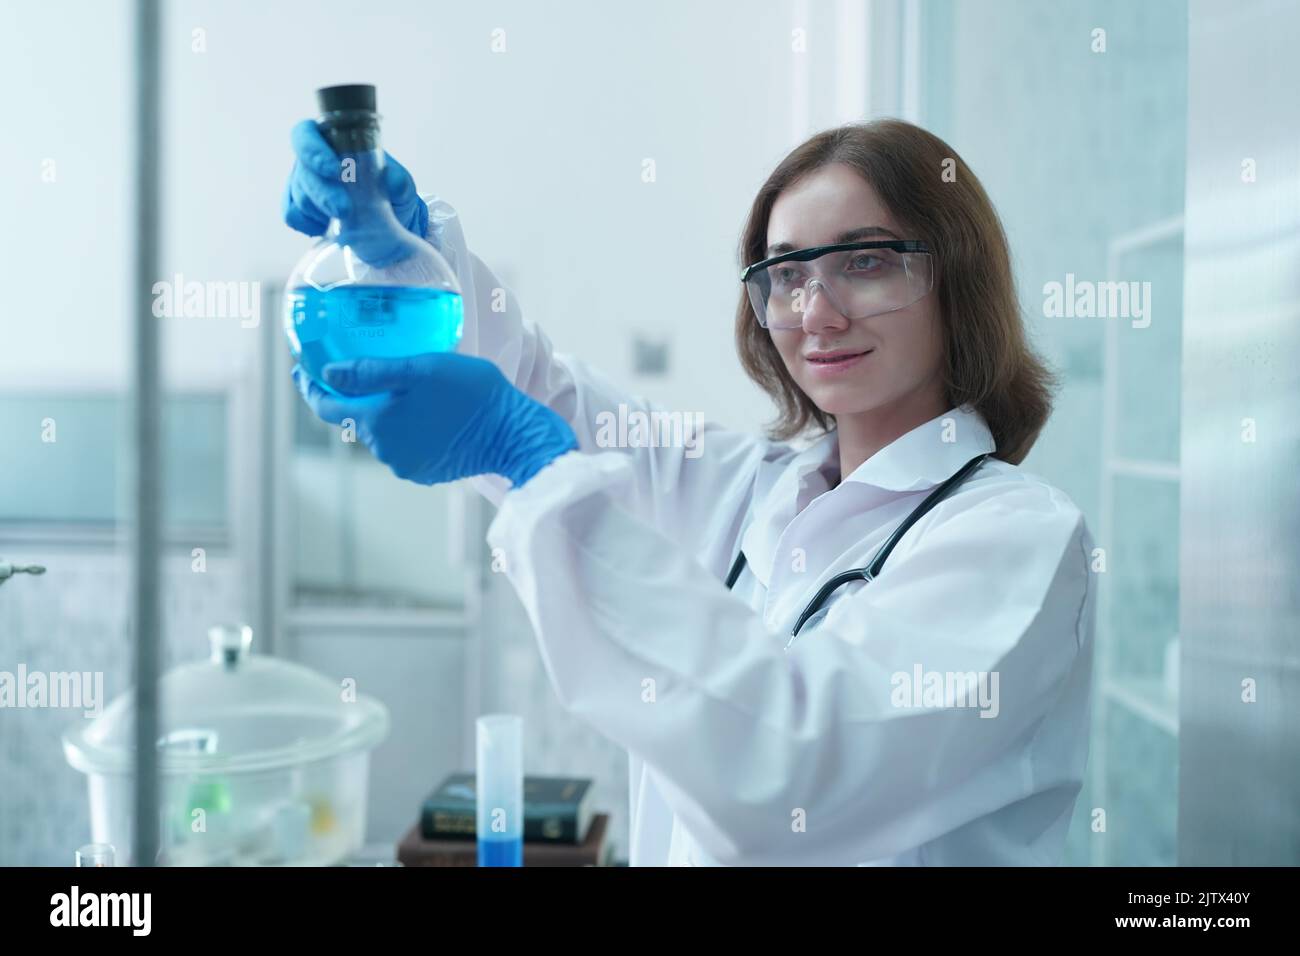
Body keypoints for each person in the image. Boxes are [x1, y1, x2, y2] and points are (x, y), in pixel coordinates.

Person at [285, 117, 1096, 866]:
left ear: (956, 279)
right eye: (787, 273)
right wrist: (402, 253)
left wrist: (522, 455)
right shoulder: (747, 489)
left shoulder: (1016, 539)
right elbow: (541, 393)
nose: (816, 312)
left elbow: (794, 779)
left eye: (866, 262)